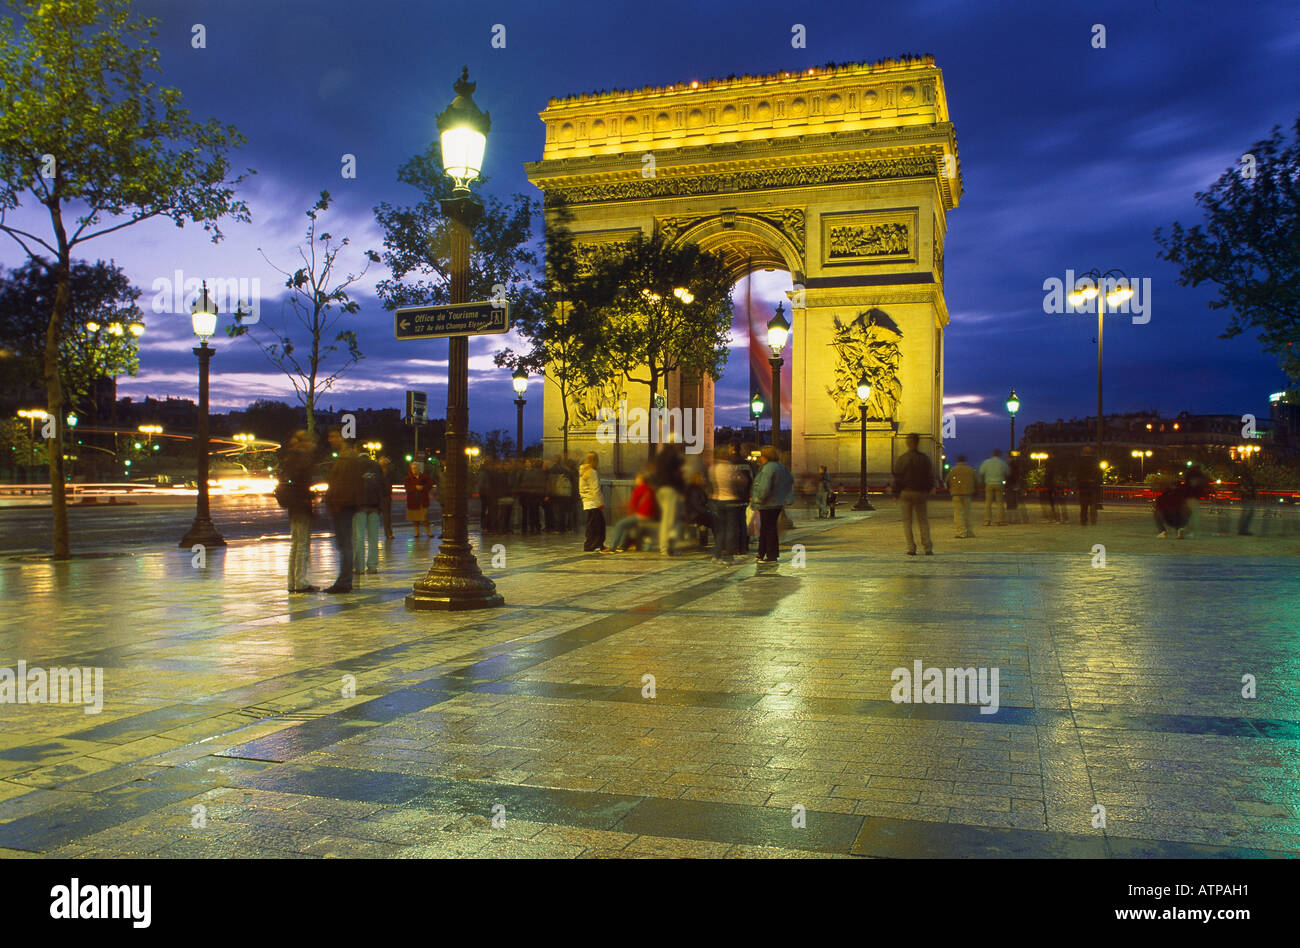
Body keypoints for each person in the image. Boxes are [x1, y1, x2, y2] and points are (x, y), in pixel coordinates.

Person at [278, 429, 318, 593]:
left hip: (293, 505)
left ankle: (292, 581)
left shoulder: (289, 458)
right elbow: (300, 485)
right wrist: (310, 494)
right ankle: (300, 582)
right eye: (311, 442)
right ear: (305, 442)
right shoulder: (302, 459)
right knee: (301, 544)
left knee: (295, 543)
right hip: (301, 505)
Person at [324, 428, 363, 593]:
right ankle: (345, 579)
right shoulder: (347, 457)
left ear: (342, 437)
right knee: (344, 543)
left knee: (345, 543)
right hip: (344, 503)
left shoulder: (347, 458)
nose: (330, 439)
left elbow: (343, 483)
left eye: (333, 436)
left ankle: (344, 581)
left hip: (342, 504)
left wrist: (336, 500)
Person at [749, 445, 794, 564]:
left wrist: (758, 499)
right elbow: (789, 482)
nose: (760, 458)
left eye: (762, 456)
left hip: (767, 503)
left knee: (768, 529)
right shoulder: (782, 468)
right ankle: (762, 552)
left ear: (765, 456)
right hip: (778, 503)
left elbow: (764, 487)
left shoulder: (767, 469)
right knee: (768, 528)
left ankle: (770, 554)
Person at [893, 432, 934, 556]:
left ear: (907, 443)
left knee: (907, 522)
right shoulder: (925, 458)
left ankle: (911, 548)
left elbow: (898, 477)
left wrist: (895, 493)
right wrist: (928, 489)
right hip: (920, 492)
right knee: (923, 521)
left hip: (905, 492)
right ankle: (927, 548)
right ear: (918, 443)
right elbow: (929, 476)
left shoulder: (902, 459)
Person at [709, 443, 748, 566]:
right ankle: (729, 556)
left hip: (717, 500)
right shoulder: (729, 467)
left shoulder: (712, 468)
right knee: (731, 529)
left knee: (720, 529)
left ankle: (716, 555)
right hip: (731, 500)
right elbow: (743, 480)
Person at [605, 470, 658, 552]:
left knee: (620, 524)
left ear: (641, 480)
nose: (635, 480)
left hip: (642, 516)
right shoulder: (650, 489)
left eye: (637, 478)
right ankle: (623, 546)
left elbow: (633, 505)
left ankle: (613, 547)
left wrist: (626, 513)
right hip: (650, 516)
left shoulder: (639, 489)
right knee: (627, 526)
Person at [353, 450, 384, 575]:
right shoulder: (376, 466)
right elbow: (382, 485)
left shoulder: (354, 465)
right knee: (373, 538)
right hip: (375, 506)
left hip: (359, 506)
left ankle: (359, 567)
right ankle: (372, 566)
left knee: (359, 537)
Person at [652, 445, 686, 556]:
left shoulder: (661, 456)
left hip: (661, 490)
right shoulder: (673, 457)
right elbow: (678, 475)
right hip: (670, 490)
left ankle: (668, 547)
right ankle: (666, 548)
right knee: (669, 521)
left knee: (668, 520)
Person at [580, 452, 609, 552]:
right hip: (593, 501)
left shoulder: (583, 470)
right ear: (595, 460)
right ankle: (592, 545)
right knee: (598, 525)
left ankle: (595, 544)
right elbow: (595, 489)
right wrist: (600, 503)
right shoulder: (591, 472)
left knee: (594, 524)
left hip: (587, 501)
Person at [946, 454, 976, 539]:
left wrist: (950, 489)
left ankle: (961, 532)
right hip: (967, 493)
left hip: (956, 493)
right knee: (968, 513)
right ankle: (969, 531)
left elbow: (947, 480)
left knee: (958, 514)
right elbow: (975, 480)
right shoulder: (970, 470)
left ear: (957, 461)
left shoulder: (953, 470)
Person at [683, 469, 714, 548]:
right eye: (702, 478)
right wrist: (707, 511)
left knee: (712, 519)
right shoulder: (694, 490)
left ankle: (705, 542)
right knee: (714, 521)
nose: (704, 480)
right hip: (694, 514)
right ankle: (719, 543)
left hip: (698, 512)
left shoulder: (700, 489)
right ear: (697, 479)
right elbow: (696, 505)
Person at [978, 449, 1009, 527]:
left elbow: (981, 471)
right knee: (999, 503)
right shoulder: (1002, 463)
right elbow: (1008, 472)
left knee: (988, 503)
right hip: (999, 483)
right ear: (999, 455)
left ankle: (987, 520)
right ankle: (1000, 520)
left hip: (989, 483)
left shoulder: (986, 462)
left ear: (992, 454)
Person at [404, 460, 434, 538]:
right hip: (412, 501)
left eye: (416, 468)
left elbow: (430, 485)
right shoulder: (408, 478)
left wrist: (423, 487)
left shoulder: (425, 477)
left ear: (419, 469)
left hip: (422, 500)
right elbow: (407, 488)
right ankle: (416, 532)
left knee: (424, 517)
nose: (414, 470)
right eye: (413, 468)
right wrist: (415, 487)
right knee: (414, 518)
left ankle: (428, 531)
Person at [518, 457, 546, 534]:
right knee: (526, 512)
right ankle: (525, 528)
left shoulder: (534, 472)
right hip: (526, 495)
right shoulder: (522, 472)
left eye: (529, 462)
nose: (528, 463)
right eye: (526, 462)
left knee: (533, 512)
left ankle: (533, 527)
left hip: (533, 495)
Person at [1075, 446, 1102, 526]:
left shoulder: (1079, 462)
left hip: (1083, 485)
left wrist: (1079, 481)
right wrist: (1095, 481)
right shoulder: (1095, 462)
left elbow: (1077, 474)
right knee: (1093, 504)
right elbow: (1099, 473)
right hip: (1092, 485)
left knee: (1083, 505)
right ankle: (1093, 519)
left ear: (1083, 453)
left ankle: (1083, 520)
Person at [1182, 462, 1209, 538]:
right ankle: (1193, 531)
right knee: (1193, 514)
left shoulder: (1191, 475)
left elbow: (1189, 485)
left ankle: (1191, 531)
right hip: (1194, 496)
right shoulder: (1199, 475)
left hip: (1189, 496)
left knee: (1190, 514)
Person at [547, 456, 572, 533]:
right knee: (563, 511)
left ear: (554, 461)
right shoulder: (566, 470)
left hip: (555, 493)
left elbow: (550, 482)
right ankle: (563, 527)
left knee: (556, 512)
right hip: (564, 493)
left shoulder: (552, 470)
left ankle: (557, 528)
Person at [377, 455, 397, 540]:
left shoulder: (389, 471)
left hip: (386, 496)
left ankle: (389, 533)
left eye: (385, 461)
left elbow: (394, 477)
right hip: (377, 496)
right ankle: (375, 533)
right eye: (382, 460)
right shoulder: (376, 471)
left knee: (387, 516)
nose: (383, 462)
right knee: (374, 516)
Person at [1236, 459, 1258, 536]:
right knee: (1248, 513)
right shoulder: (1247, 477)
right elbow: (1244, 487)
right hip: (1247, 497)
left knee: (1246, 513)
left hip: (1247, 497)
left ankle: (1242, 529)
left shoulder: (1246, 477)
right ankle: (1243, 530)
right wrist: (1248, 492)